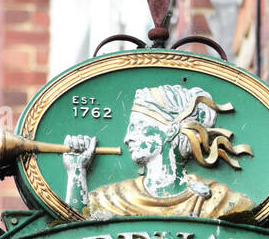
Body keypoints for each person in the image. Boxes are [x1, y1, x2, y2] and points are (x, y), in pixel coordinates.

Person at [63, 84, 254, 220]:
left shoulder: (222, 202)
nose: (127, 137)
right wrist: (76, 171)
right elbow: (71, 238)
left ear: (170, 130)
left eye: (137, 127)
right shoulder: (111, 198)